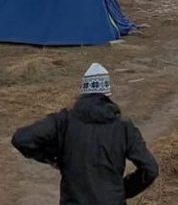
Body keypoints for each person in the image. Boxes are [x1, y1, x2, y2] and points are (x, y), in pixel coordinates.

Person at [13, 63, 158, 205]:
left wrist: (51, 158)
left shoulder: (63, 121)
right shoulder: (124, 128)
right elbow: (150, 169)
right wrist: (123, 190)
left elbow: (22, 139)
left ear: (83, 90)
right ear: (107, 93)